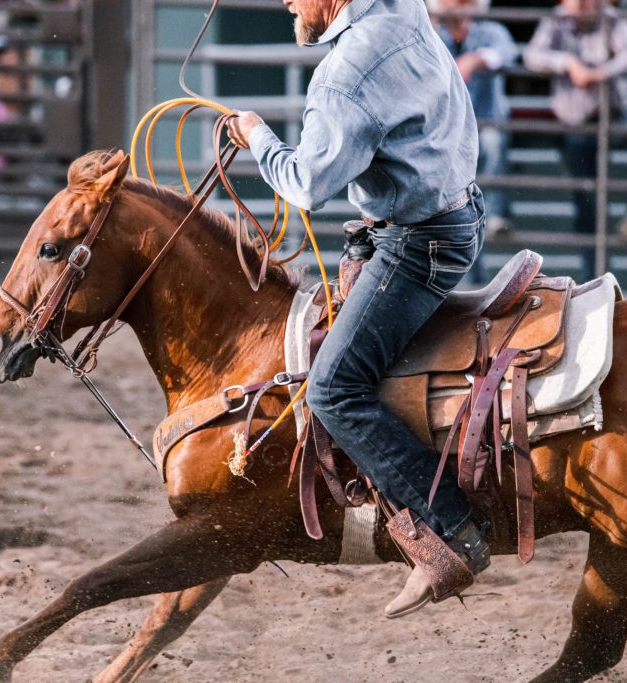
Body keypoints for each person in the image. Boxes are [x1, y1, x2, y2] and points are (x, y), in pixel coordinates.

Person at [225, 0, 489, 617]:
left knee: (333, 389)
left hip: (417, 243)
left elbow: (309, 186)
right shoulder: (403, 9)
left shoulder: (345, 73)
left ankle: (450, 530)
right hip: (454, 213)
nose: (286, 1)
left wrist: (258, 137)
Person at [523, 0, 627, 281]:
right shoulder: (556, 20)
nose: (586, 4)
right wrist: (568, 63)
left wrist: (602, 72)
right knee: (587, 202)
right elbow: (532, 56)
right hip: (575, 124)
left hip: (613, 118)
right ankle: (594, 280)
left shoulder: (610, 18)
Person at [432, 0, 518, 238]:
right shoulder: (432, 32)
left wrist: (475, 58)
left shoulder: (491, 31)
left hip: (486, 119)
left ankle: (495, 214)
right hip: (447, 126)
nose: (456, 6)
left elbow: (507, 53)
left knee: (492, 142)